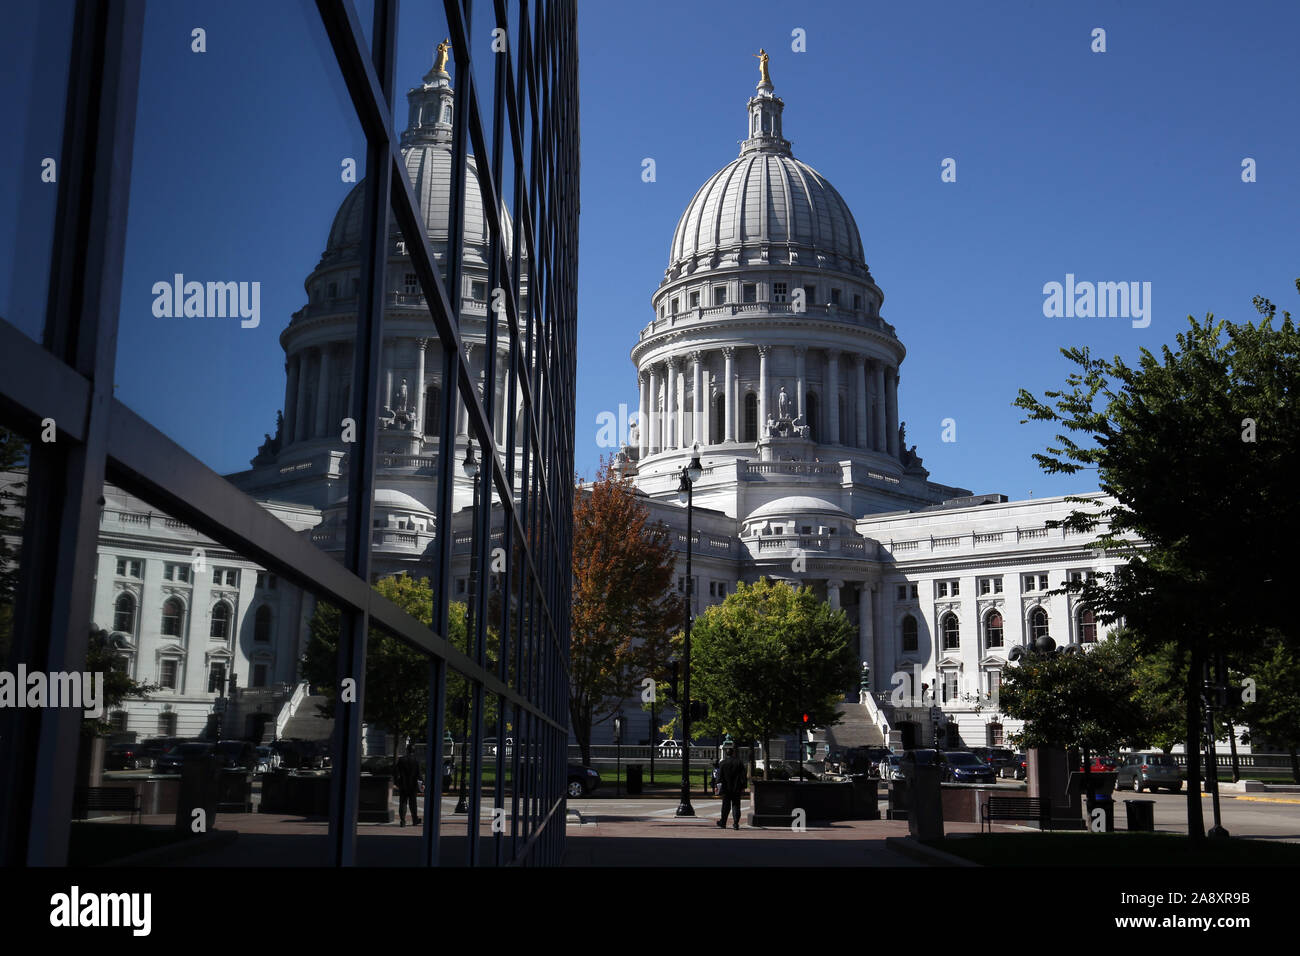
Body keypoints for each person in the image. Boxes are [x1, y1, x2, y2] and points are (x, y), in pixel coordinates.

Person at [716, 744, 747, 830]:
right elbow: (743, 776)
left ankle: (723, 822)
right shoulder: (739, 762)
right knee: (736, 805)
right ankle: (736, 823)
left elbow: (719, 777)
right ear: (733, 753)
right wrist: (744, 786)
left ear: (726, 754)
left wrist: (717, 785)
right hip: (737, 787)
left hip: (726, 788)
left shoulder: (722, 763)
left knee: (725, 806)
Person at [395, 743, 422, 827]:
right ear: (413, 751)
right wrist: (422, 783)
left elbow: (396, 772)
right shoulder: (416, 761)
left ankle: (403, 821)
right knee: (413, 804)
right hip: (413, 785)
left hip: (403, 785)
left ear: (407, 750)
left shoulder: (401, 760)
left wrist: (397, 783)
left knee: (403, 803)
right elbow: (419, 774)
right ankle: (414, 820)